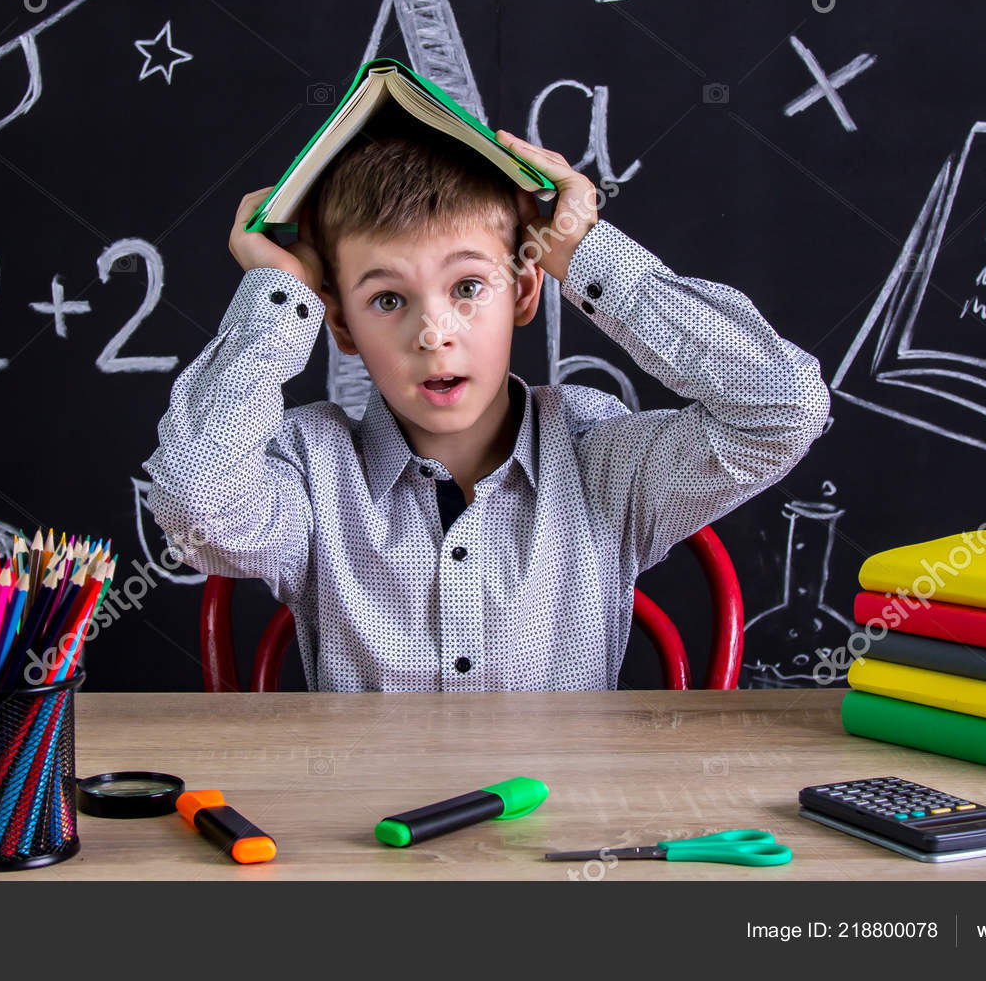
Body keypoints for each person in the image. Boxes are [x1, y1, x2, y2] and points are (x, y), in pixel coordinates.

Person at [143, 120, 829, 690]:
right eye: (388, 299)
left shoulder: (595, 457)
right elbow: (193, 503)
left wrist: (581, 253)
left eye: (469, 286)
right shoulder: (315, 471)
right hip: (368, 836)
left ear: (525, 292)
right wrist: (277, 301)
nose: (434, 332)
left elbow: (784, 406)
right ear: (342, 326)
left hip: (563, 844)